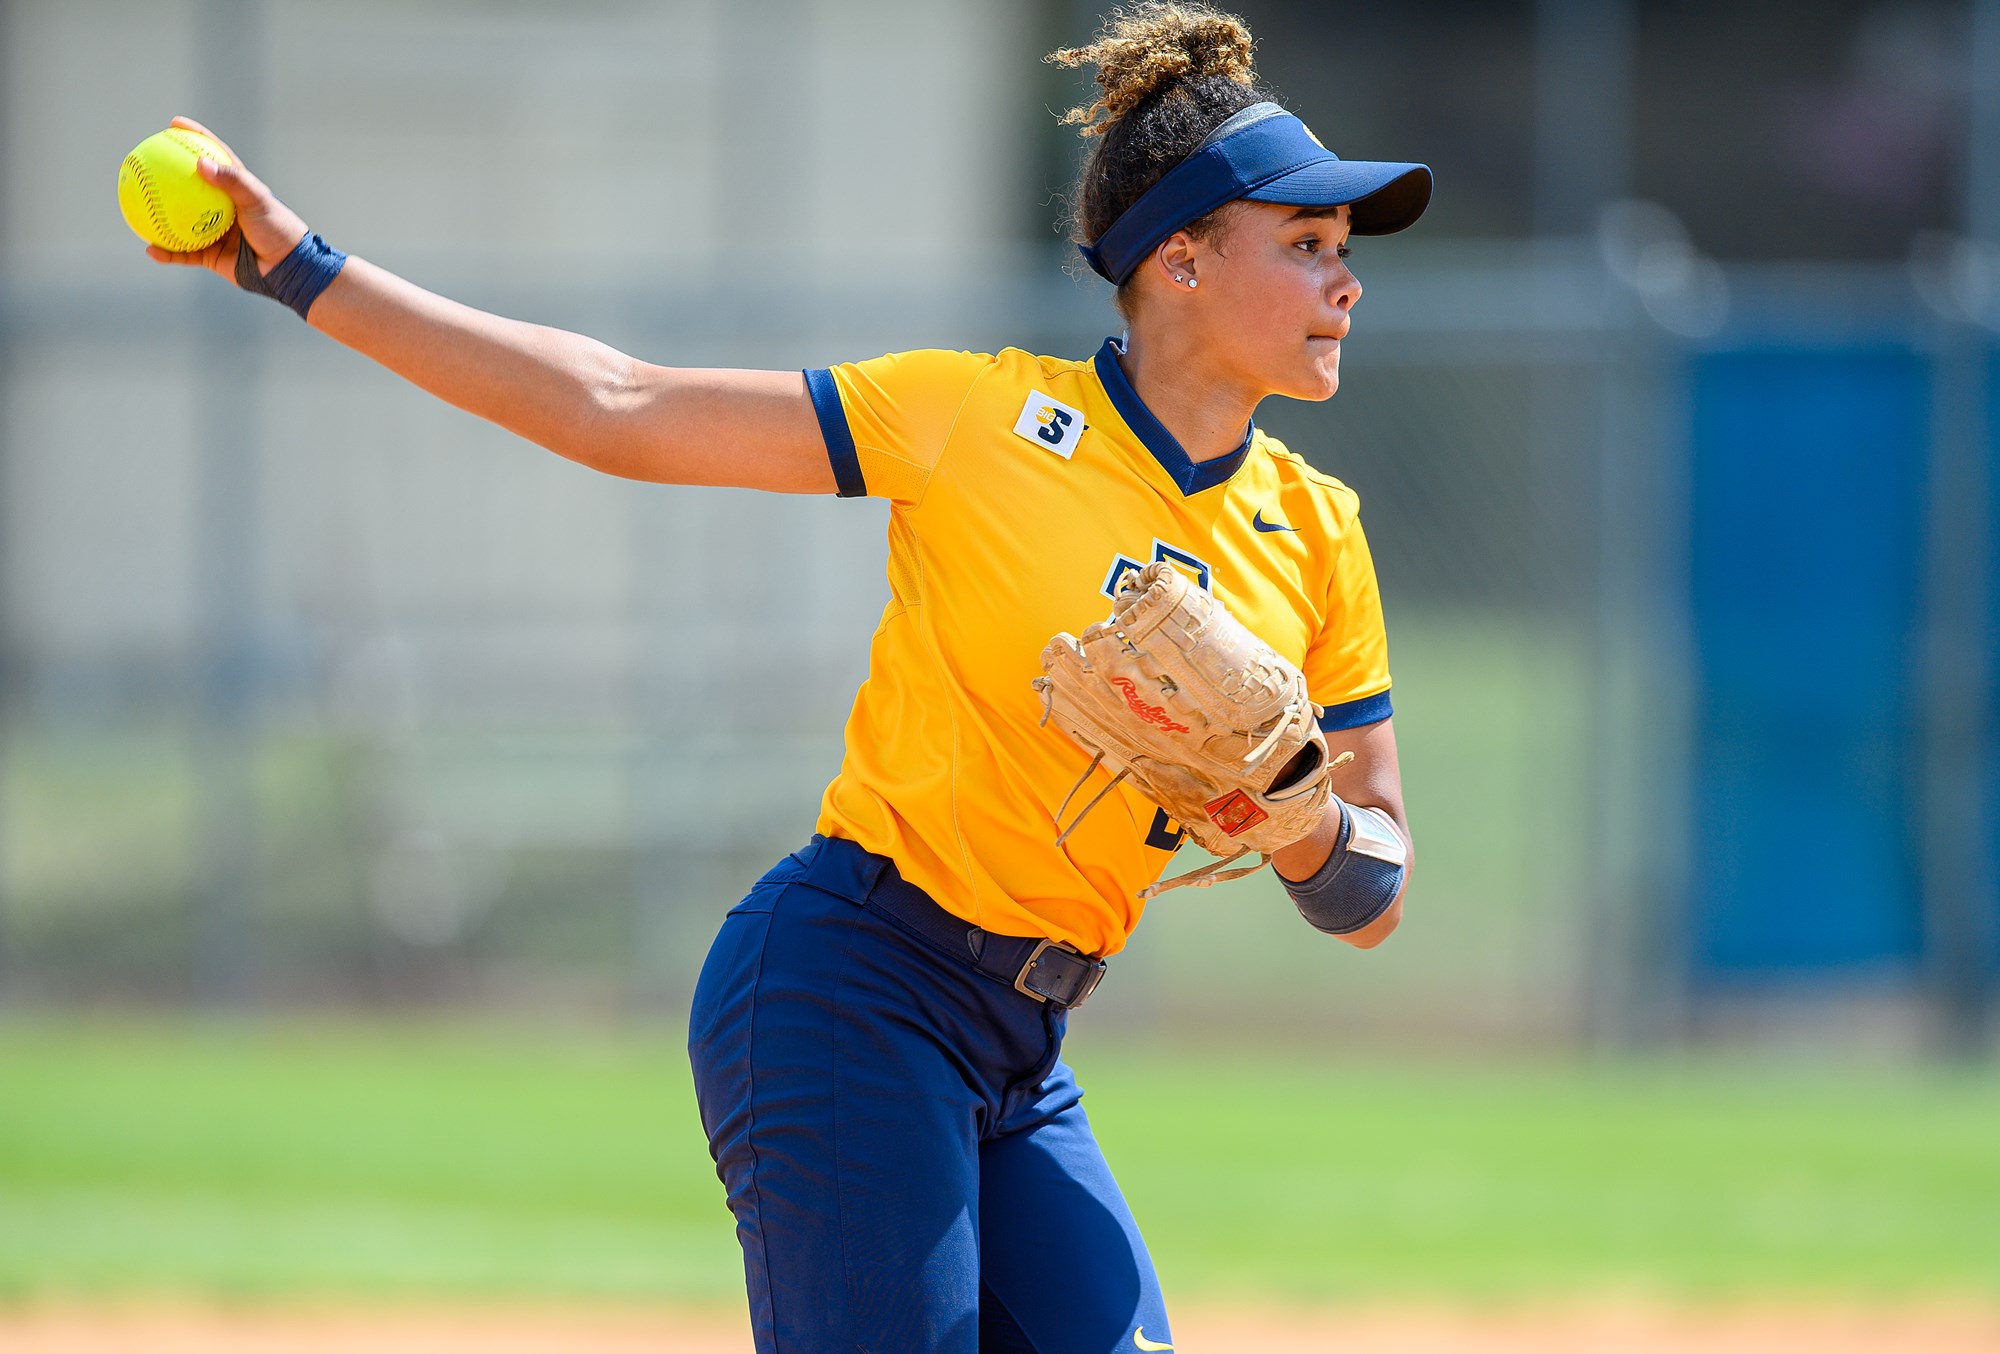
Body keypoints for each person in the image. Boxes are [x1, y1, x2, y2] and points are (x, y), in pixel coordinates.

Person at [145, 4, 1428, 1349]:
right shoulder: (975, 421)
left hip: (1026, 1050)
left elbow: (1373, 894)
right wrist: (306, 270)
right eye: (1305, 245)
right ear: (1180, 260)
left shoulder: (1319, 532)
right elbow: (618, 407)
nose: (1346, 281)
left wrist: (1305, 821)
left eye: (1344, 252)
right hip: (854, 982)